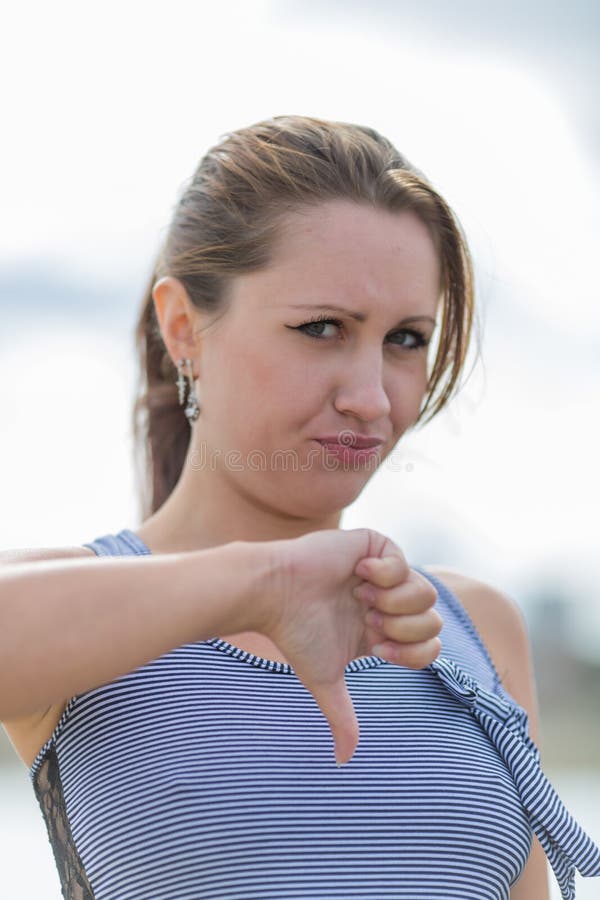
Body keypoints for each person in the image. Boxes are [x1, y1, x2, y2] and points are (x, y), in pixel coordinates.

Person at [1, 115, 598, 900]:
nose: (371, 398)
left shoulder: (472, 627)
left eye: (406, 339)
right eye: (321, 328)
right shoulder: (83, 612)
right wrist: (264, 585)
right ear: (184, 329)